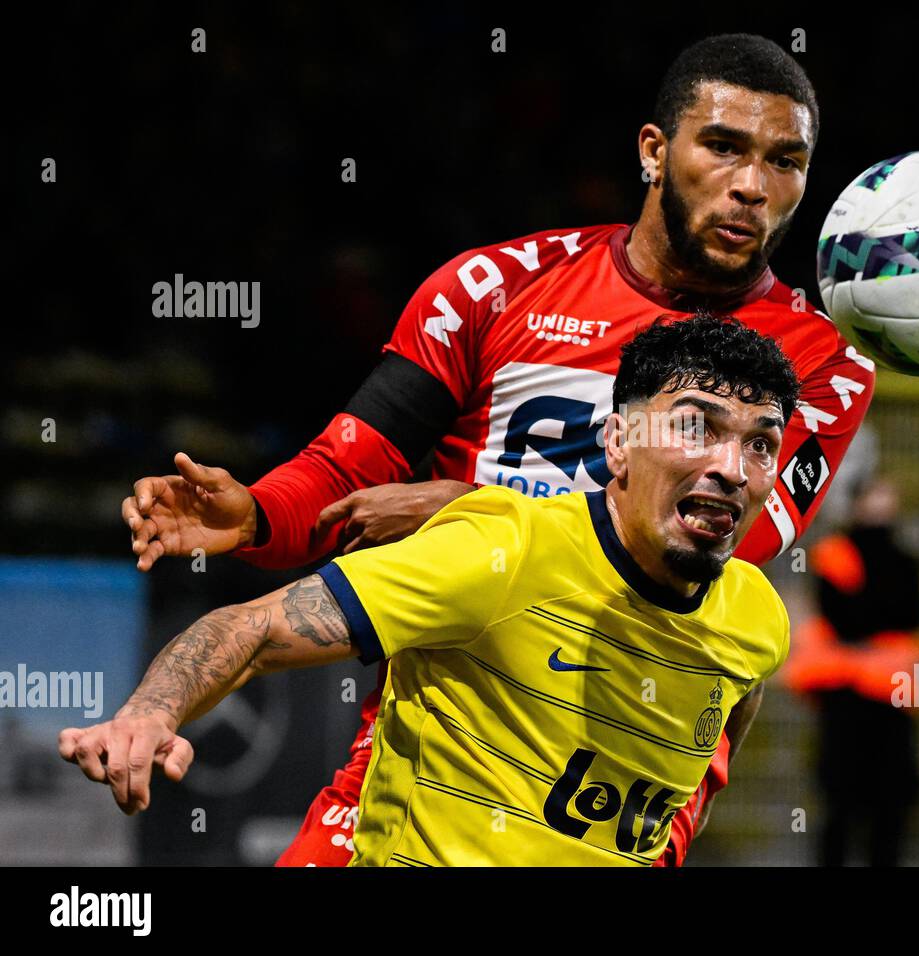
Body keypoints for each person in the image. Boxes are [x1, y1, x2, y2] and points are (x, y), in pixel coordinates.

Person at [120, 33, 875, 866]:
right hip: (446, 735)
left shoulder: (821, 361)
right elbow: (346, 474)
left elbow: (707, 540)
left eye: (785, 161)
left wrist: (459, 506)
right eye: (724, 147)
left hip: (622, 766)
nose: (751, 187)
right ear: (655, 152)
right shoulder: (494, 287)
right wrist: (261, 512)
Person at [66, 314, 797, 866]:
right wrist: (147, 716)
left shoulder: (756, 618)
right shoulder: (503, 549)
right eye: (696, 426)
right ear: (616, 444)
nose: (733, 467)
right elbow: (251, 630)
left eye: (761, 442)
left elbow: (709, 755)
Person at [784, 476, 919, 866]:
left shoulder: (905, 561)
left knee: (890, 806)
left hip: (889, 701)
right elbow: (848, 619)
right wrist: (876, 621)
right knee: (841, 804)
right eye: (874, 497)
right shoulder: (835, 554)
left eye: (887, 496)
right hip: (847, 700)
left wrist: (868, 614)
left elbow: (911, 614)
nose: (881, 506)